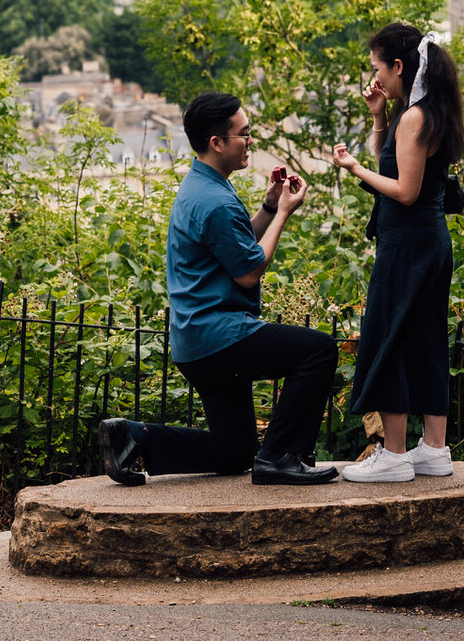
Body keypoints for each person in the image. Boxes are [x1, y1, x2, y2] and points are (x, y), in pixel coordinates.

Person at [98, 91, 340, 486]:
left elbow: (236, 250)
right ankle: (280, 456)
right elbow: (249, 271)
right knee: (318, 351)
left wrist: (265, 207)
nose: (250, 141)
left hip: (195, 342)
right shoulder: (215, 201)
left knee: (235, 452)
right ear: (217, 142)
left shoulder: (202, 185)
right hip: (219, 336)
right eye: (244, 134)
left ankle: (136, 437)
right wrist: (282, 214)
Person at [329, 23, 464, 483]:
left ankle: (394, 455)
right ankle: (434, 450)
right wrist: (377, 116)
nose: (376, 77)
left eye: (378, 69)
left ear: (399, 66)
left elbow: (403, 190)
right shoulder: (426, 113)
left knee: (388, 337)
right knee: (426, 337)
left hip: (407, 242)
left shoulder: (415, 118)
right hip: (431, 240)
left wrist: (353, 167)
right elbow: (398, 163)